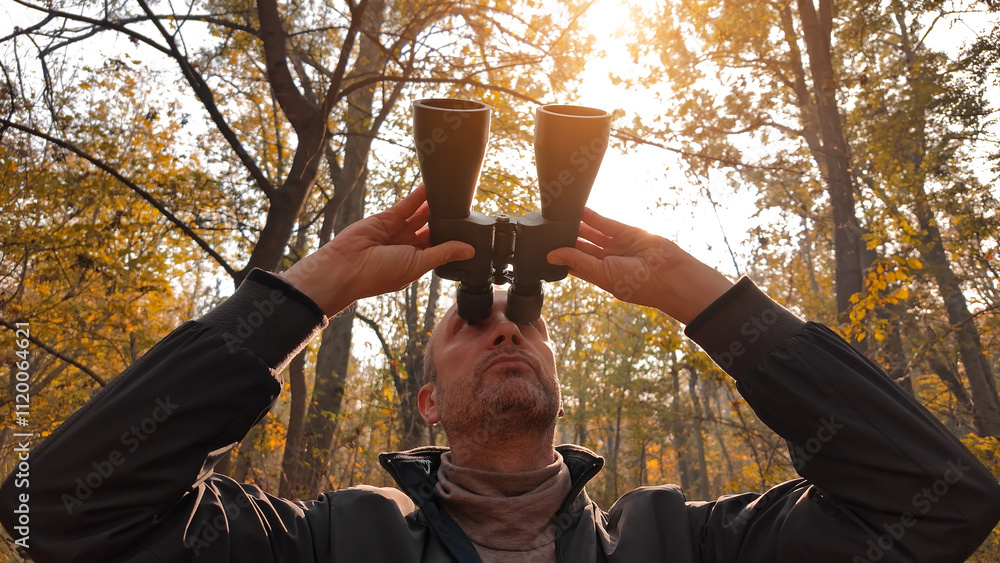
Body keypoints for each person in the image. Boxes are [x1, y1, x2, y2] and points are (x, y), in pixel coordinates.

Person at [2, 185, 999, 563]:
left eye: (527, 322)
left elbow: (939, 501)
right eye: (471, 324)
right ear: (428, 400)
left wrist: (705, 299)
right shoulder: (324, 546)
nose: (505, 329)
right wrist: (315, 289)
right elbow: (55, 511)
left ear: (559, 373)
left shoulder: (683, 544)